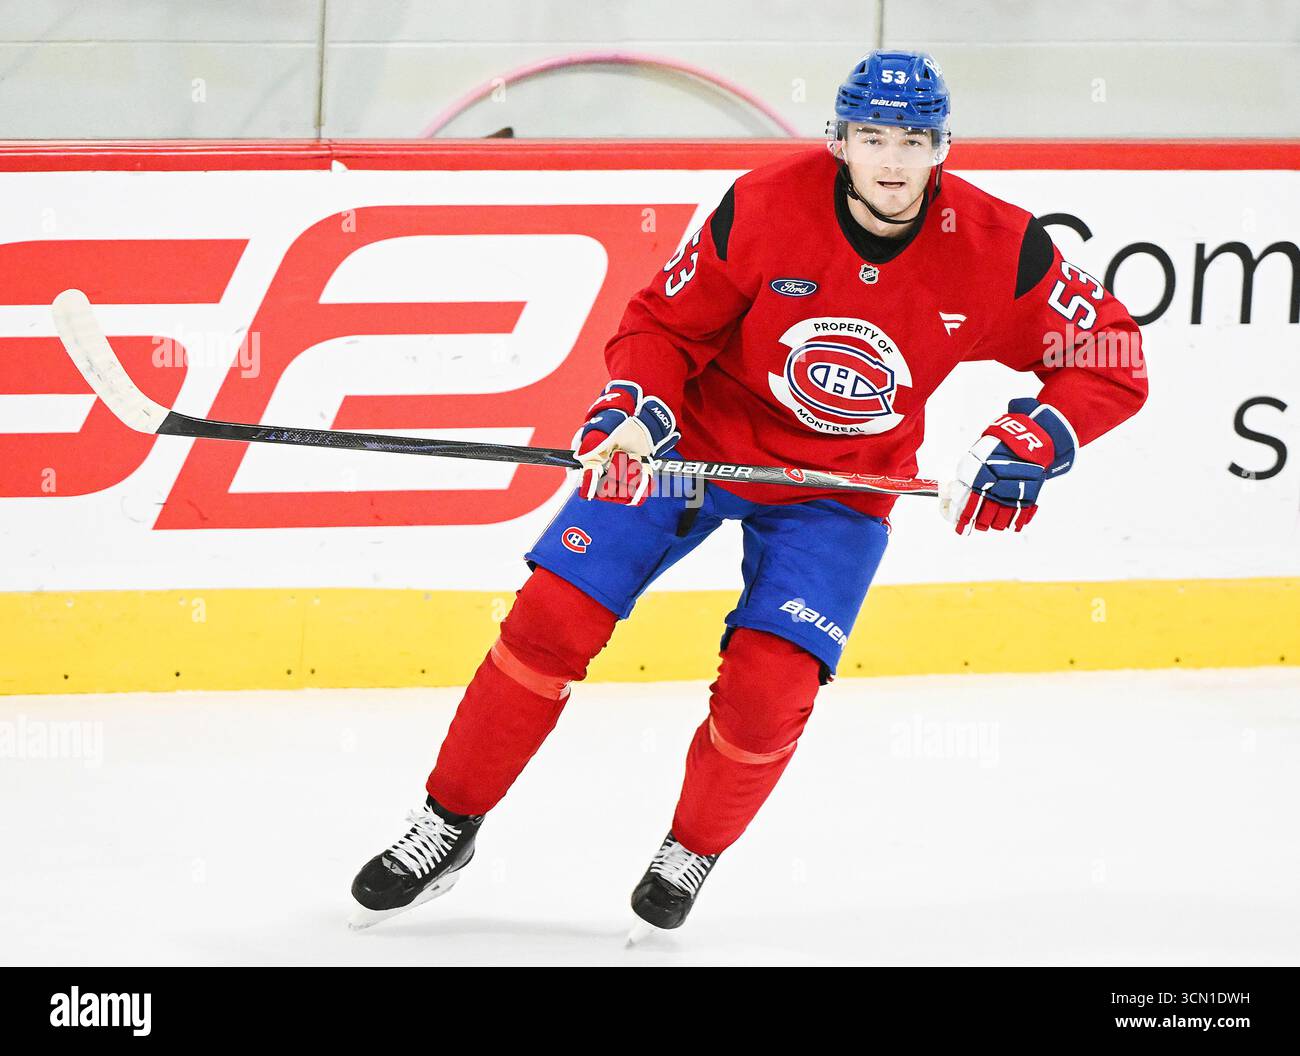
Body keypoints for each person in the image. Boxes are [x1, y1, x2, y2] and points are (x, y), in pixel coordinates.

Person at [348, 50, 1148, 934]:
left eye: (913, 140)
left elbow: (1110, 350)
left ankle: (691, 846)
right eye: (872, 136)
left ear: (942, 147)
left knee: (770, 690)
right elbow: (662, 322)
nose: (891, 160)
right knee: (550, 617)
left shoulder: (1002, 247)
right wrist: (632, 410)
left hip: (840, 489)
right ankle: (447, 822)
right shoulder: (764, 205)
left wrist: (1035, 436)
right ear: (838, 139)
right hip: (693, 448)